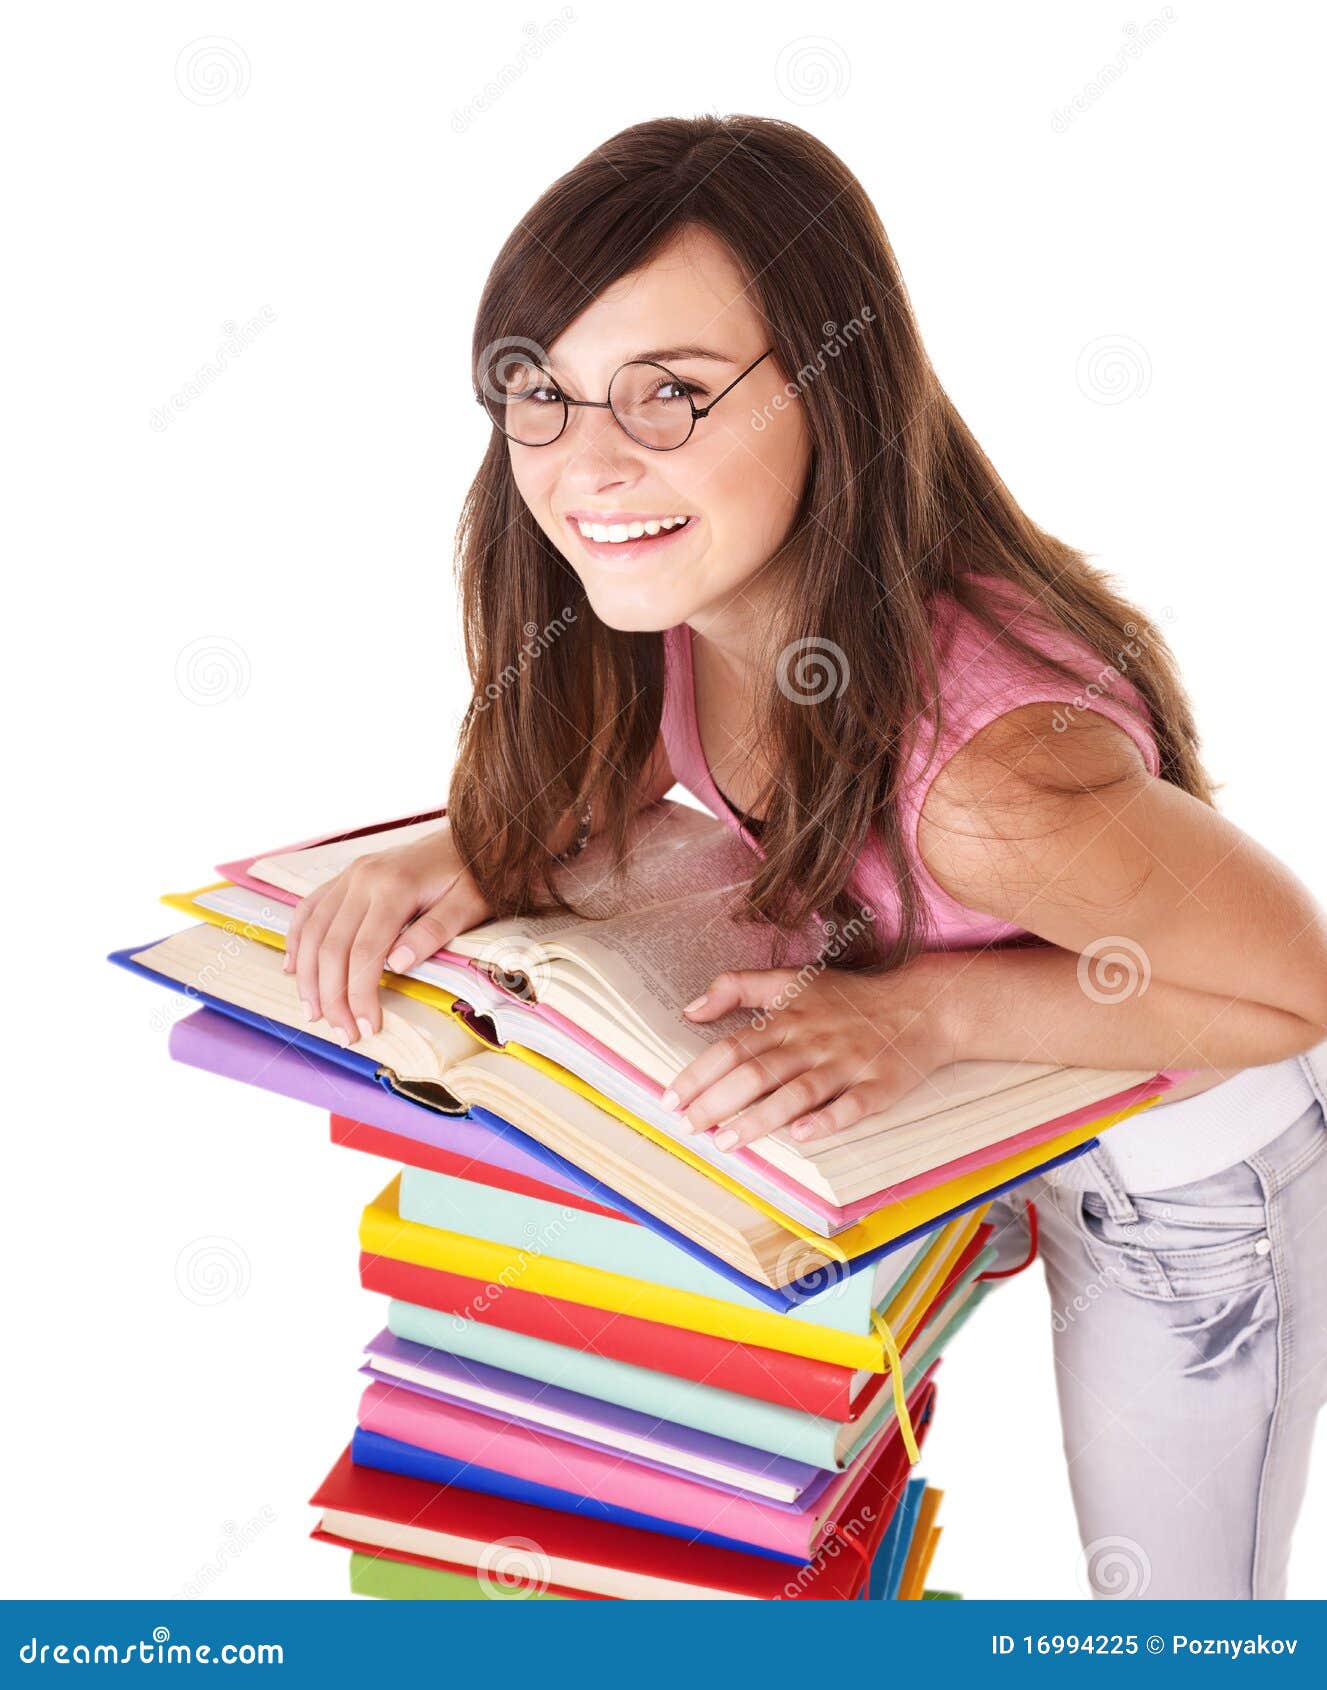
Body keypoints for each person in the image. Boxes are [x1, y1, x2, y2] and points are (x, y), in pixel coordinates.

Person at [284, 115, 1327, 1599]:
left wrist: (927, 1014)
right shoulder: (684, 597)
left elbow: (1294, 982)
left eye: (672, 394)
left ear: (829, 393)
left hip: (1178, 1157)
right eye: (544, 394)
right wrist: (475, 844)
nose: (585, 464)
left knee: (1176, 1623)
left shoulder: (987, 784)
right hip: (955, 1124)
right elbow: (647, 751)